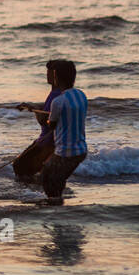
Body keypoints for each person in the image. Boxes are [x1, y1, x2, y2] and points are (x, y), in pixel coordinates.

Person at [40, 59, 87, 205]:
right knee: (55, 176)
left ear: (56, 77)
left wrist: (40, 116)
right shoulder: (81, 95)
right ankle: (57, 201)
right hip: (81, 149)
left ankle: (54, 203)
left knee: (48, 175)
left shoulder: (58, 102)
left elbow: (51, 125)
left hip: (66, 151)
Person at [12, 60, 62, 181]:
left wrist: (34, 110)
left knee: (20, 167)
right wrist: (31, 106)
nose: (48, 75)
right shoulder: (57, 93)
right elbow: (46, 110)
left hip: (47, 142)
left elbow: (45, 121)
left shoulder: (56, 94)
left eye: (51, 73)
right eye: (48, 72)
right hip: (45, 140)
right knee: (21, 167)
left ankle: (35, 192)